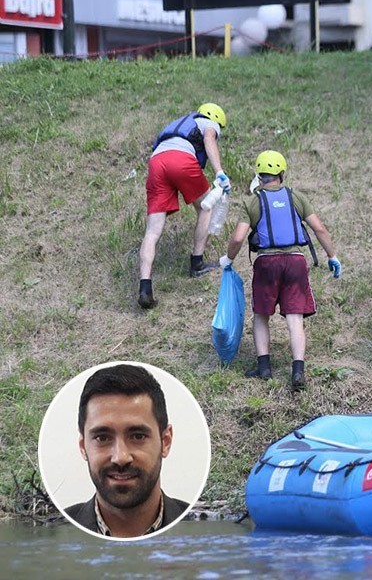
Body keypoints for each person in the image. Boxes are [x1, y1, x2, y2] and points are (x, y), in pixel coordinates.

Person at [219, 150, 341, 391]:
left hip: (267, 263)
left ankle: (264, 368)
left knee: (261, 314)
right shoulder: (297, 197)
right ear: (282, 173)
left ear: (259, 175)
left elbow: (238, 237)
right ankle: (298, 371)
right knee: (295, 318)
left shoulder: (252, 202)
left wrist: (228, 259)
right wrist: (332, 255)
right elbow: (320, 229)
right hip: (295, 262)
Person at [65, 364, 189, 538]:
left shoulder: (199, 523)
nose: (120, 457)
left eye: (138, 436)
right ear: (83, 446)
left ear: (165, 442)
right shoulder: (55, 531)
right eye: (102, 438)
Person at [138, 103, 231, 309]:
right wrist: (219, 172)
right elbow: (209, 139)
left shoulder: (181, 123)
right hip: (180, 160)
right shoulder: (209, 123)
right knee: (207, 207)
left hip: (156, 162)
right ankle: (197, 263)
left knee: (152, 231)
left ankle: (145, 287)